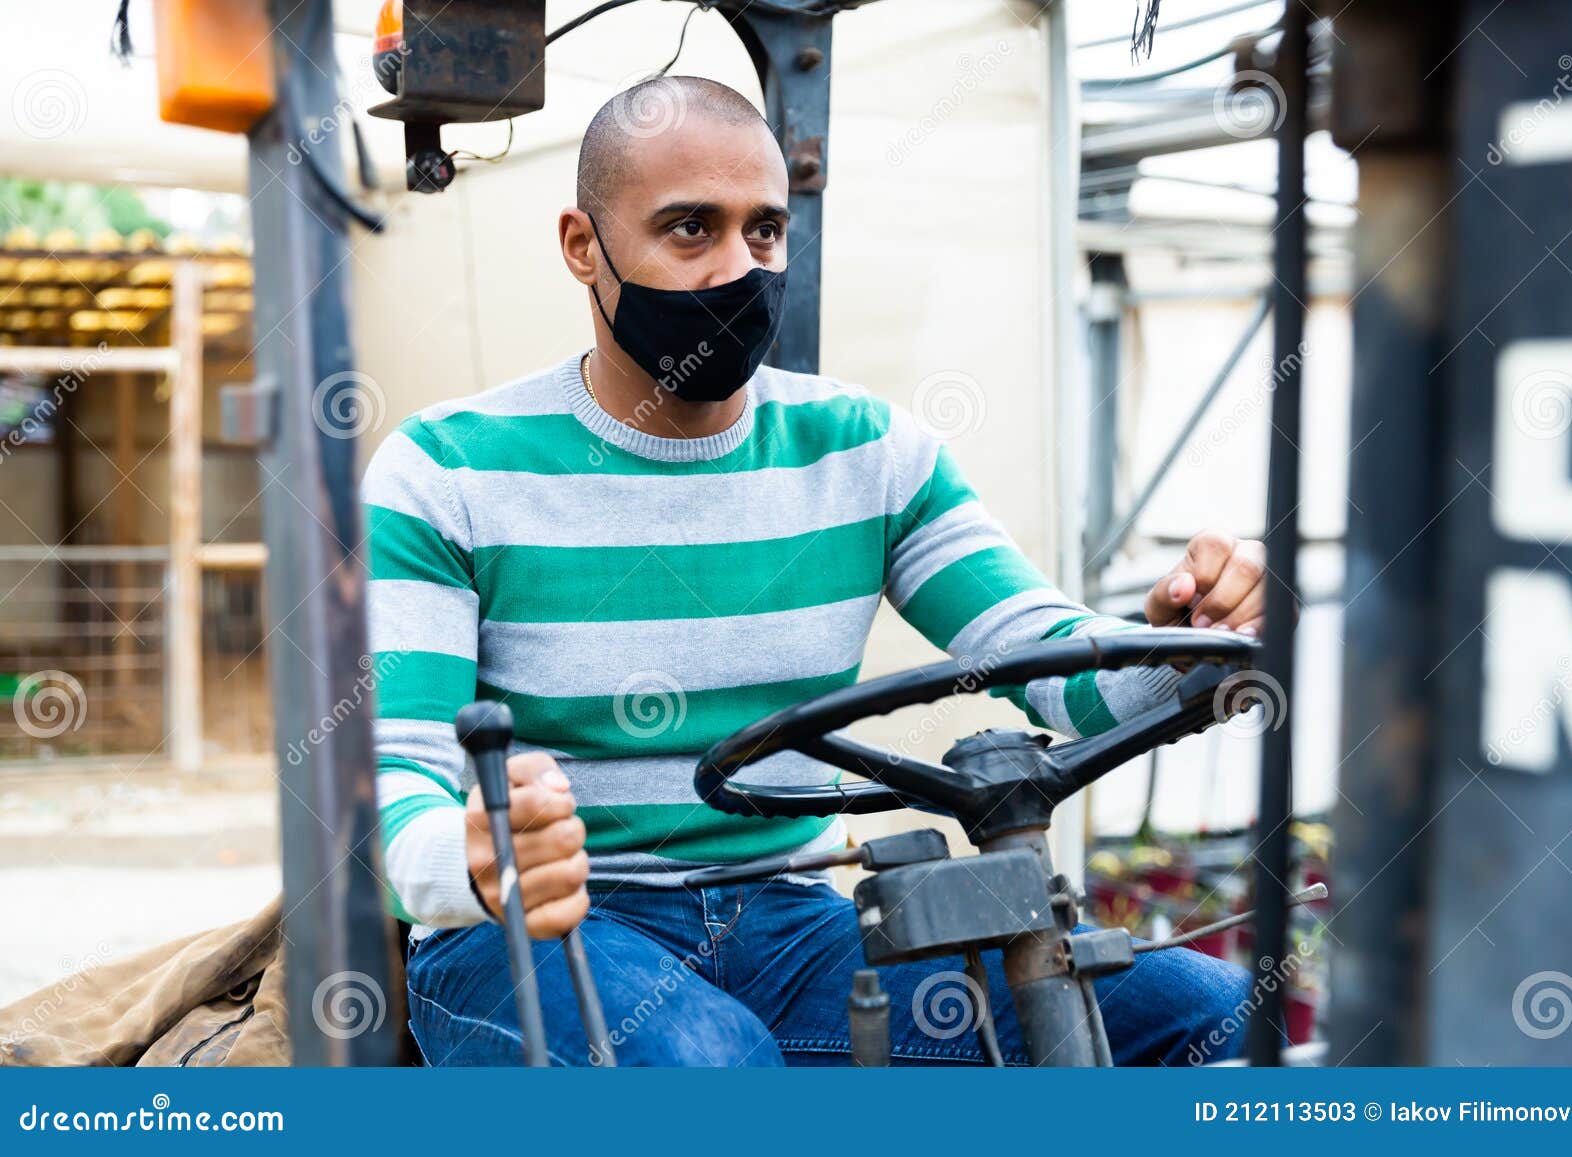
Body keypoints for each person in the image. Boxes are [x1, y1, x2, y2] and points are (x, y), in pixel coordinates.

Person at [365, 76, 1268, 1067]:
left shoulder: (869, 454)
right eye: (689, 228)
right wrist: (478, 856)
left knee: (1214, 1015)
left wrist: (1188, 636)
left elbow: (1058, 668)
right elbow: (397, 780)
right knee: (709, 1065)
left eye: (763, 231)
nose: (738, 267)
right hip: (530, 927)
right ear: (583, 245)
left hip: (791, 924)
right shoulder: (446, 472)